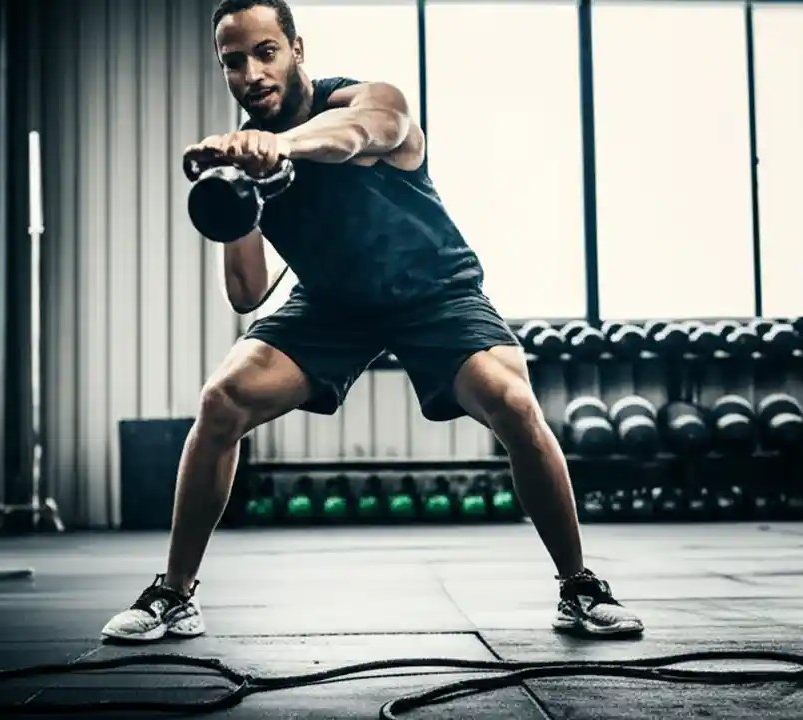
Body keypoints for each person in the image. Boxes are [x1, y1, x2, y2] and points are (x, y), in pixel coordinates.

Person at [101, 0, 643, 642]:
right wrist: (231, 196)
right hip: (332, 305)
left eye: (265, 52)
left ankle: (578, 586)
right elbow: (247, 292)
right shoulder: (243, 154)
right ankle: (175, 594)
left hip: (435, 293)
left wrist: (279, 146)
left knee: (512, 401)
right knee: (222, 402)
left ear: (297, 49)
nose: (251, 72)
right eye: (233, 61)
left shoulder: (366, 100)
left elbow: (364, 135)